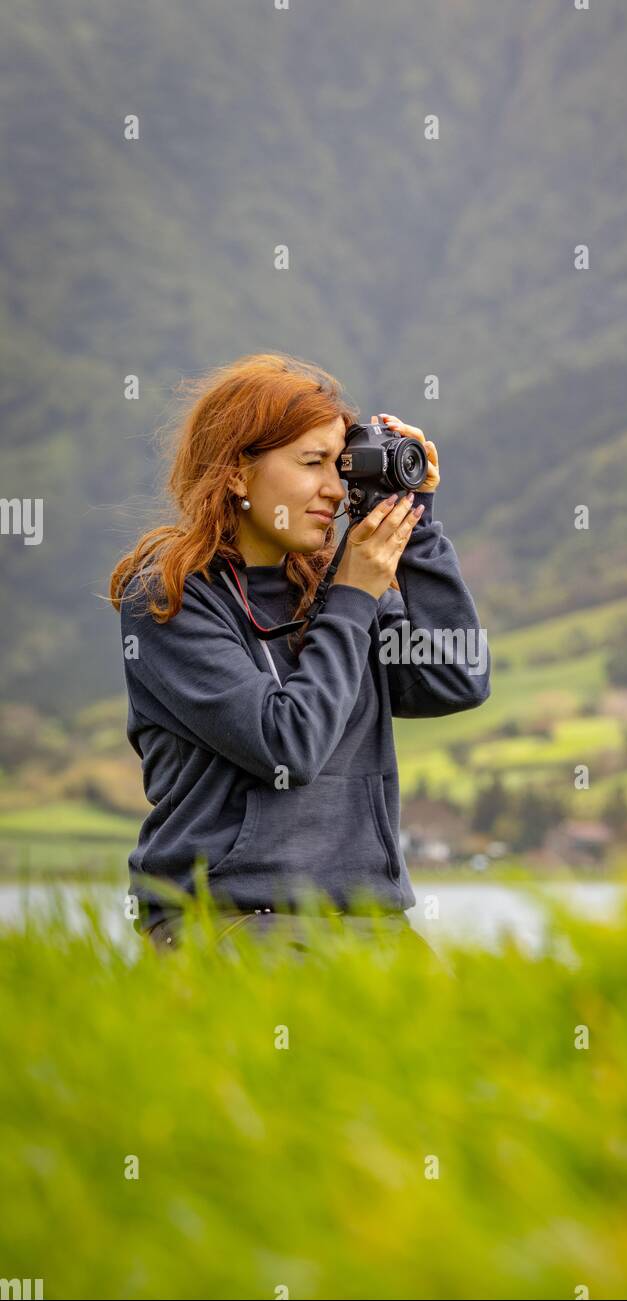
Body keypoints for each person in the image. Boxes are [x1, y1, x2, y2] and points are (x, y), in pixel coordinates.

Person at [109, 353, 491, 956]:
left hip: (371, 916)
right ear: (237, 473)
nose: (334, 490)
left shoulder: (335, 588)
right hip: (228, 917)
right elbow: (287, 744)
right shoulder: (171, 598)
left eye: (339, 467)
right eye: (311, 463)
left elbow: (456, 678)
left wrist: (414, 525)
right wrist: (353, 597)